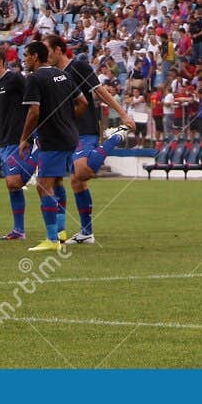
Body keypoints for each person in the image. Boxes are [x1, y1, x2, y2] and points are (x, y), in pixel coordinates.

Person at [52, 34, 134, 246]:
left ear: (59, 50)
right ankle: (86, 233)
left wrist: (123, 114)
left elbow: (99, 91)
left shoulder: (79, 67)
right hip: (66, 133)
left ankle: (116, 135)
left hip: (85, 128)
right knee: (77, 181)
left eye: (48, 50)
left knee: (82, 172)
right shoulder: (53, 75)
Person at [18, 39, 79, 251]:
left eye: (26, 55)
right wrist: (67, 121)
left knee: (44, 186)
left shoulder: (35, 78)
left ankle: (52, 240)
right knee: (57, 184)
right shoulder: (63, 74)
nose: (23, 59)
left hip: (52, 140)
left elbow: (34, 111)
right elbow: (83, 102)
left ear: (35, 56)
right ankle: (61, 232)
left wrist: (24, 138)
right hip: (70, 136)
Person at [0, 44, 31, 240]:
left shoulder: (14, 79)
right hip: (3, 141)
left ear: (1, 62)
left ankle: (37, 157)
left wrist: (29, 134)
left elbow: (34, 102)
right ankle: (19, 230)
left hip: (19, 139)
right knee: (12, 185)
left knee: (14, 182)